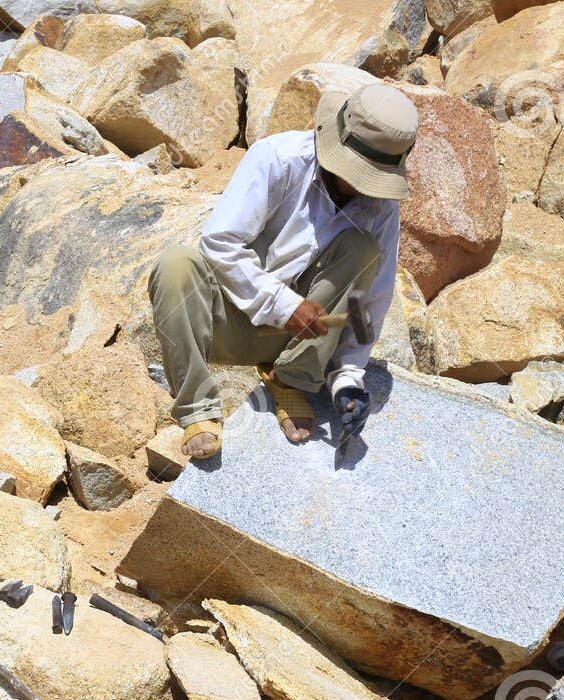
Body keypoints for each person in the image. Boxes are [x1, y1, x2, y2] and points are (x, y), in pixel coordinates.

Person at [148, 78, 418, 460]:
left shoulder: (380, 211)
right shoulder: (277, 158)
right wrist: (284, 305)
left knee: (363, 249)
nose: (363, 187)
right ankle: (197, 408)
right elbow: (219, 243)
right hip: (222, 320)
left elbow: (369, 305)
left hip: (295, 340)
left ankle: (289, 378)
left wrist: (347, 380)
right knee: (175, 264)